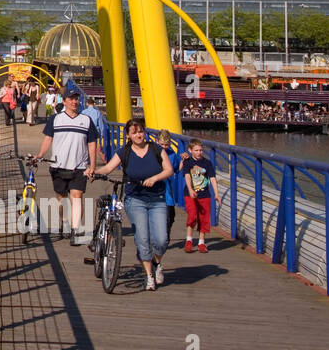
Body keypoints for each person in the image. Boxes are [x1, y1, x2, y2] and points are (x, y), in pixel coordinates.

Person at [90, 118, 174, 290]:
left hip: (157, 198)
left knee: (161, 240)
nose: (139, 135)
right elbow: (108, 168)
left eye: (141, 131)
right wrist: (94, 171)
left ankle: (157, 263)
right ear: (128, 135)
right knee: (142, 238)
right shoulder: (124, 152)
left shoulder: (156, 149)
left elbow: (169, 170)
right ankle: (149, 276)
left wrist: (155, 178)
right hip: (135, 198)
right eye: (134, 132)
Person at [33, 89, 99, 244]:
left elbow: (92, 143)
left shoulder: (86, 120)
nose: (74, 102)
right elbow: (48, 139)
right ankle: (64, 223)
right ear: (64, 101)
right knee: (61, 199)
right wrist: (40, 155)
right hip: (58, 165)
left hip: (79, 167)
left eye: (76, 99)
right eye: (71, 99)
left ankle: (75, 231)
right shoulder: (55, 119)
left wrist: (92, 165)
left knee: (76, 196)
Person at [179, 139, 221, 253]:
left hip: (204, 194)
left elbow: (212, 178)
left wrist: (216, 193)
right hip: (190, 194)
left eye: (201, 150)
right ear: (190, 150)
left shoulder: (207, 163)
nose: (199, 152)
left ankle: (201, 242)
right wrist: (190, 189)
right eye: (196, 150)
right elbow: (187, 176)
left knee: (204, 219)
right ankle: (189, 240)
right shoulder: (188, 162)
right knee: (192, 215)